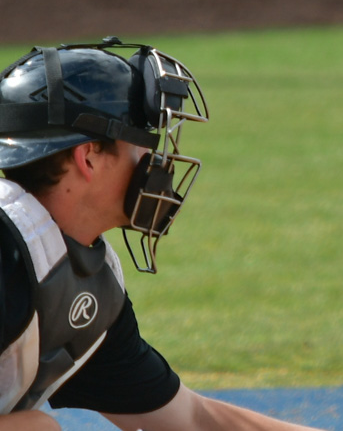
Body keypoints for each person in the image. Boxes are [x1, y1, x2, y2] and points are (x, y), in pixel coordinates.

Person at [0, 39, 325, 431]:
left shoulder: (79, 284)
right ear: (88, 157)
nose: (157, 162)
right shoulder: (8, 255)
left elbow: (190, 419)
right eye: (142, 142)